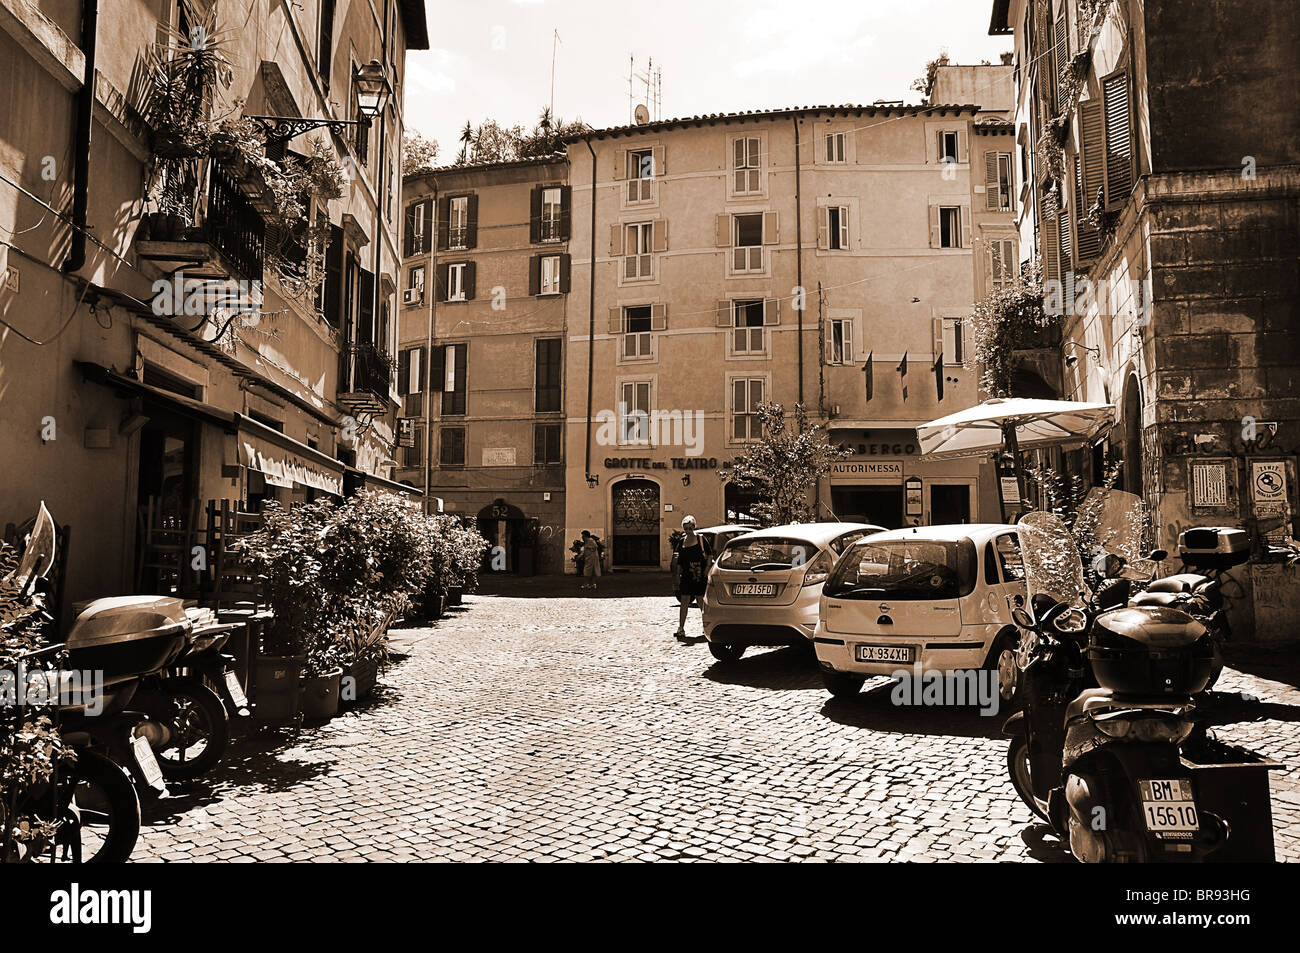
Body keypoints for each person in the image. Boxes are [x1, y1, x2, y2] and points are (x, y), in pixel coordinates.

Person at [672, 515, 710, 639]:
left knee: (700, 602)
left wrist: (706, 570)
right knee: (684, 602)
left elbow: (709, 556)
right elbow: (679, 561)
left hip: (698, 575)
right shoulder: (682, 542)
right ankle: (681, 628)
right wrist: (677, 576)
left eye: (690, 528)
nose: (688, 530)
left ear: (694, 527)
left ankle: (707, 627)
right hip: (687, 576)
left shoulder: (700, 539)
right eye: (685, 528)